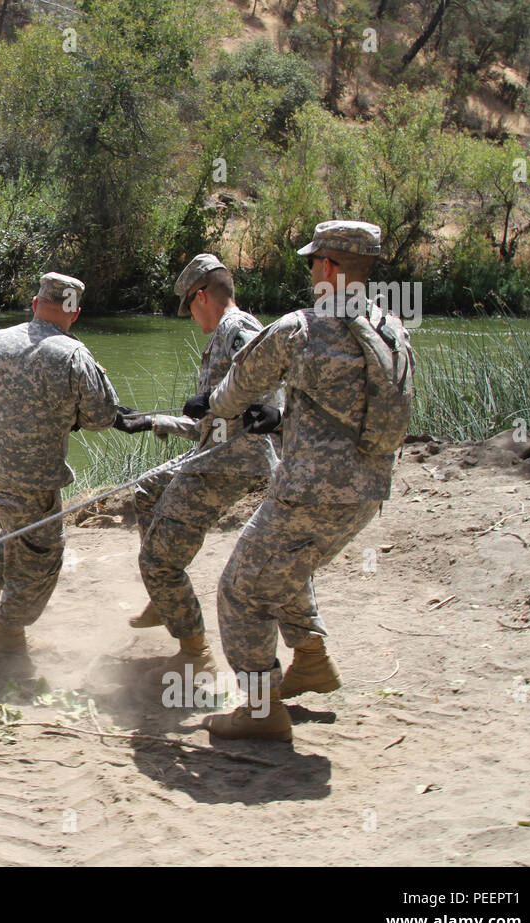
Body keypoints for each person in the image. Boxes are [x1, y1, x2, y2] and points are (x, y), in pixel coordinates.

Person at [186, 220, 415, 741]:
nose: (311, 270)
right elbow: (356, 408)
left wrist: (210, 405)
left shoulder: (301, 328)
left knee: (240, 592)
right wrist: (286, 419)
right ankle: (311, 662)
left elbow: (238, 388)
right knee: (284, 569)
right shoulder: (391, 328)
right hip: (366, 494)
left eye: (314, 261)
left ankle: (261, 712)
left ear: (330, 267)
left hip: (308, 492)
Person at [120, 254, 281, 687]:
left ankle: (196, 654)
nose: (190, 317)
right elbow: (205, 422)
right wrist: (151, 421)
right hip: (214, 451)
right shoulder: (227, 334)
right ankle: (165, 597)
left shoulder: (237, 328)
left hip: (231, 461)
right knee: (147, 489)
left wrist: (221, 402)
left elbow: (268, 382)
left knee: (157, 560)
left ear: (202, 296)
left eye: (189, 307)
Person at [0, 272, 137, 654]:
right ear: (75, 314)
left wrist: (10, 410)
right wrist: (64, 414)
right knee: (44, 555)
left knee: (18, 534)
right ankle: (10, 635)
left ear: (36, 305)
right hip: (35, 480)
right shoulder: (74, 355)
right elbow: (102, 418)